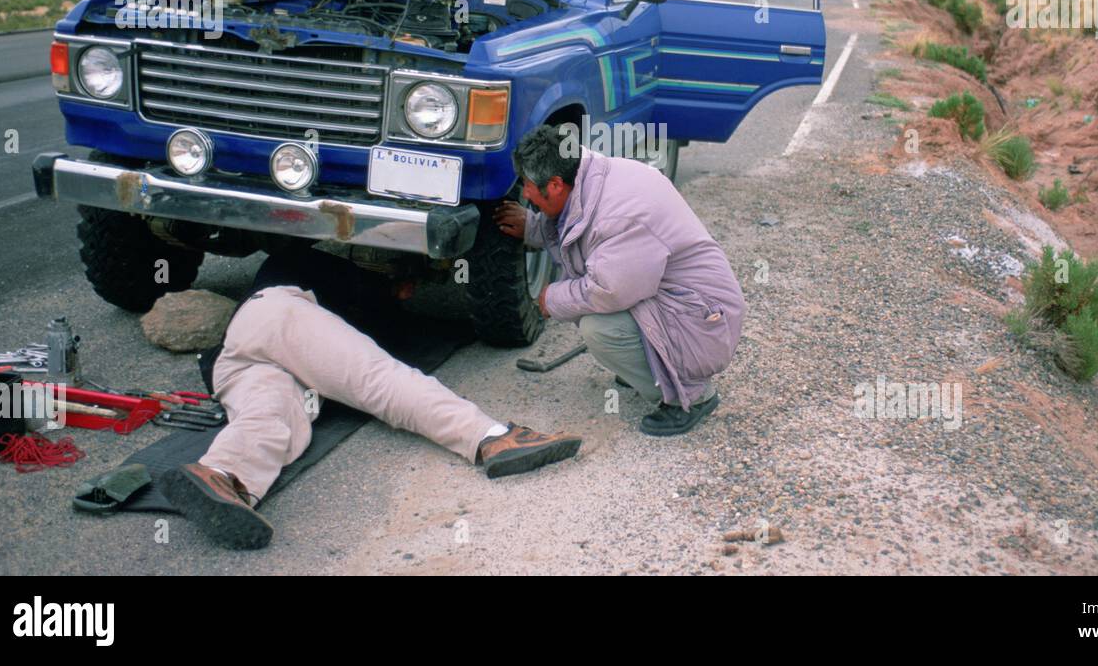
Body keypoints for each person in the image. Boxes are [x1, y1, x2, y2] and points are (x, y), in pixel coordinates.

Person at [159, 247, 581, 550]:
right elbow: (365, 362)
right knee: (382, 383)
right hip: (278, 316)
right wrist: (390, 293)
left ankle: (222, 474)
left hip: (232, 357)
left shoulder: (302, 269)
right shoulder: (341, 277)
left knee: (277, 418)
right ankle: (493, 438)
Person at [494, 124, 746, 435]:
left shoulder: (621, 215)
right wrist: (534, 229)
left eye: (528, 184)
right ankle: (651, 365)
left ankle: (693, 397)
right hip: (680, 303)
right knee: (601, 314)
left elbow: (607, 291)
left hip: (703, 325)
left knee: (599, 329)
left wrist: (551, 298)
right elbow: (582, 230)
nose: (526, 192)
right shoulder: (593, 178)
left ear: (557, 184)